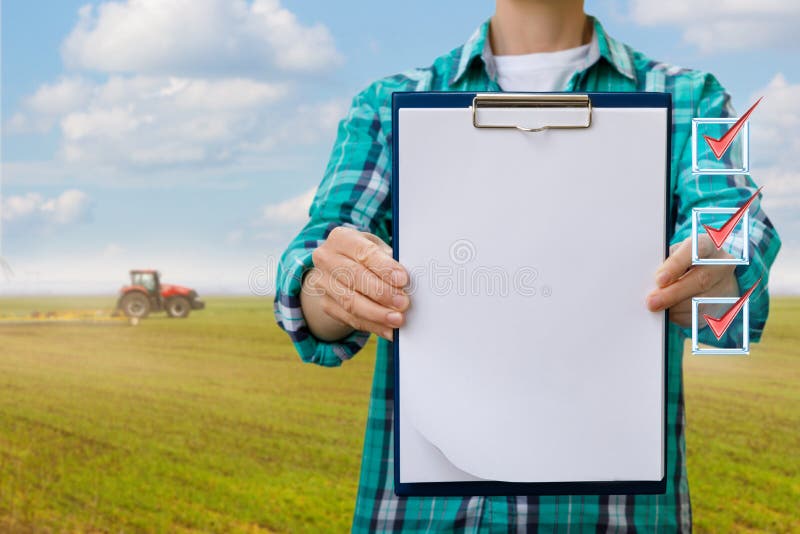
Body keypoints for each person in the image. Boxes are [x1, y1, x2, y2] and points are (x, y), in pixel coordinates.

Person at [274, 0, 781, 530]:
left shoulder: (692, 99)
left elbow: (735, 224)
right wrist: (332, 285)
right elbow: (319, 250)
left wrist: (716, 271)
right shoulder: (384, 105)